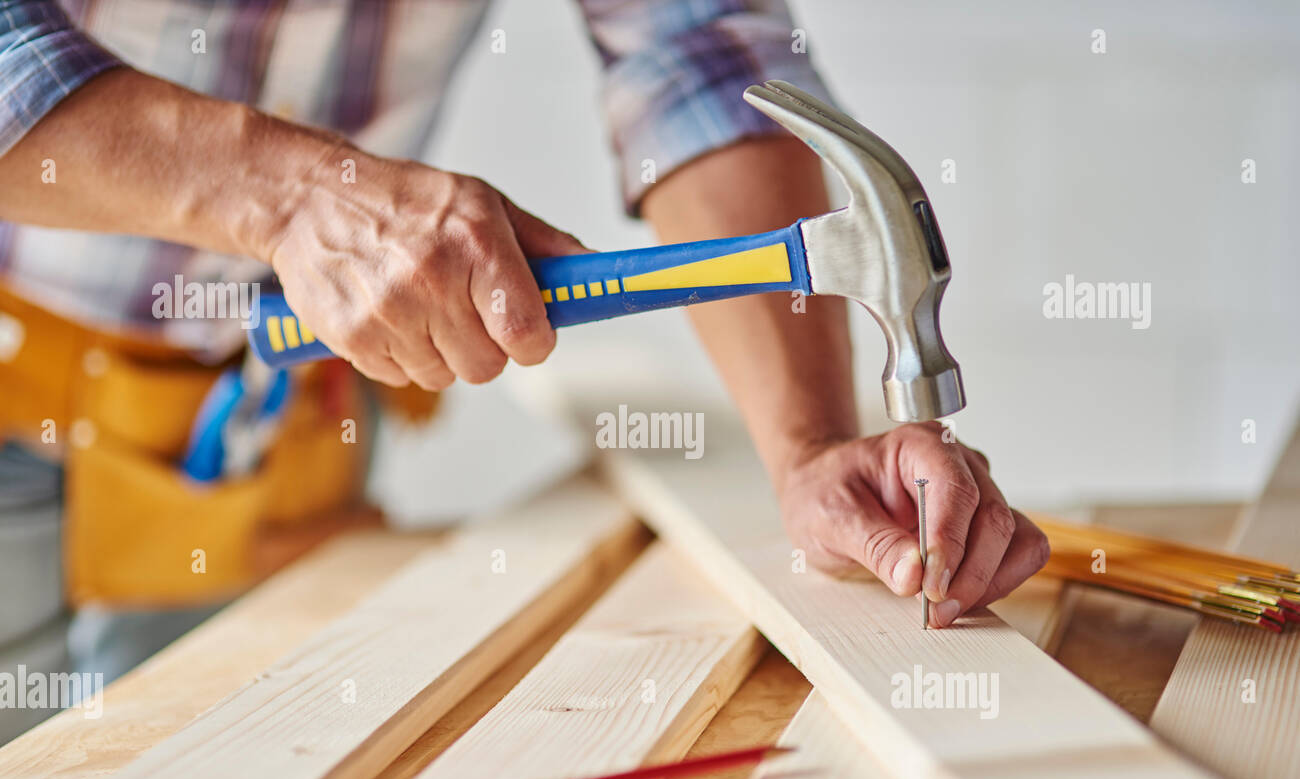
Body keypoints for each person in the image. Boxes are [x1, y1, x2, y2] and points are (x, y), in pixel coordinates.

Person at [0, 0, 1048, 708]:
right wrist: (290, 195)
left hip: (287, 412)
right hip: (17, 380)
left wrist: (810, 442)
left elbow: (696, 54)